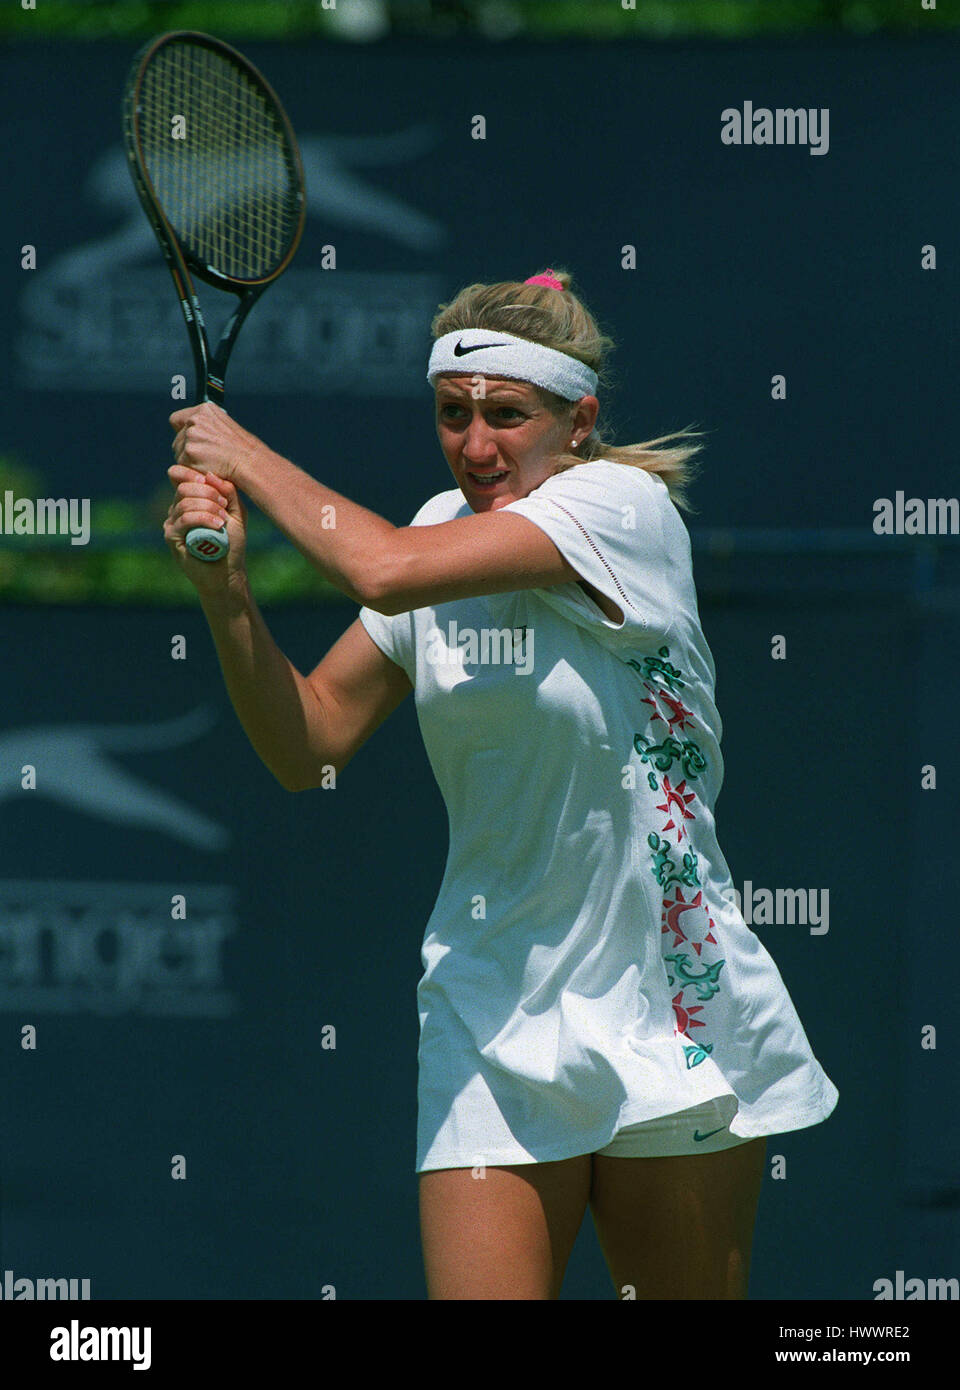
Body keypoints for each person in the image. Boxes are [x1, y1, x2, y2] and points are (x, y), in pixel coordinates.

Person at [164, 267, 839, 1301]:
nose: (476, 445)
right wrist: (226, 593)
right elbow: (311, 744)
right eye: (452, 414)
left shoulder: (622, 509)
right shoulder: (438, 530)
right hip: (489, 1011)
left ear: (580, 420)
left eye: (507, 415)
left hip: (674, 1009)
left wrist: (238, 451)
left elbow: (379, 567)